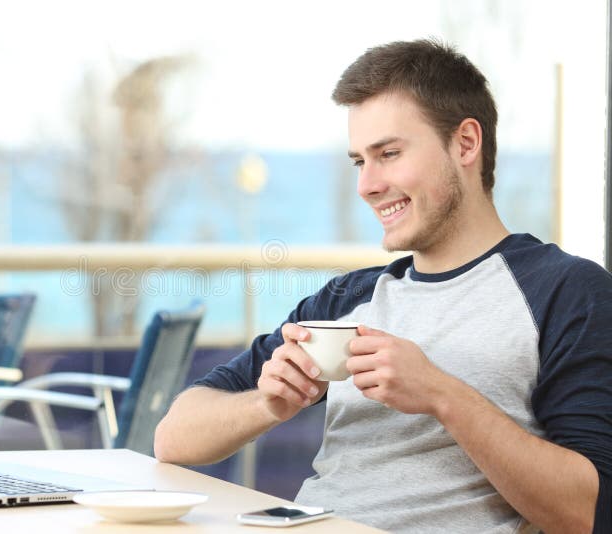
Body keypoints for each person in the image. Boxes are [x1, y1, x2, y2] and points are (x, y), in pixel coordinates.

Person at [154, 39, 612, 533]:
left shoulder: (566, 291)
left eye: (388, 154)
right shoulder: (347, 299)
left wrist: (441, 395)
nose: (367, 185)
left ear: (465, 143)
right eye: (359, 161)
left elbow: (588, 512)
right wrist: (266, 404)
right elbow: (172, 439)